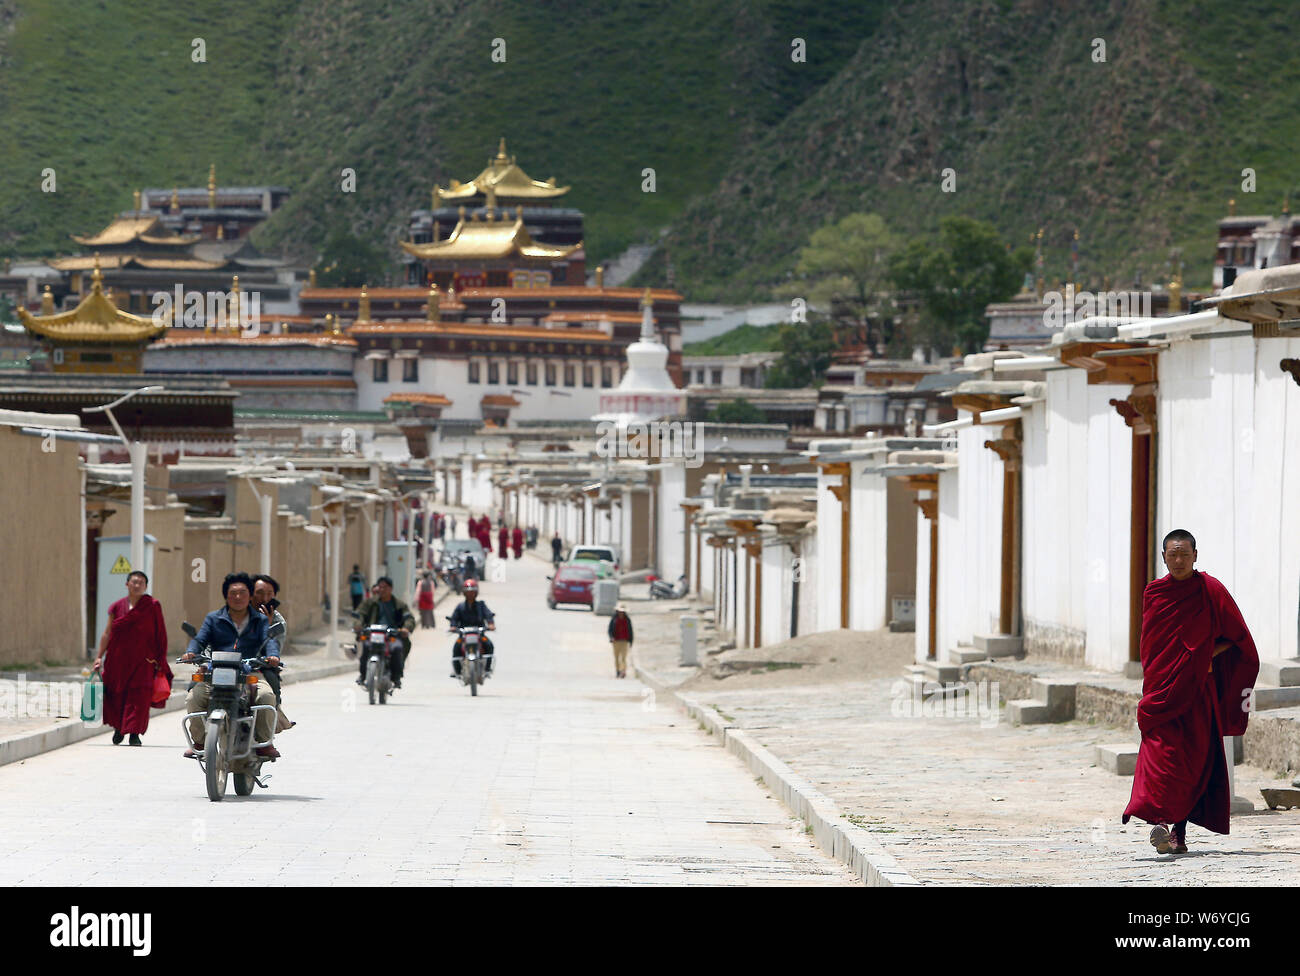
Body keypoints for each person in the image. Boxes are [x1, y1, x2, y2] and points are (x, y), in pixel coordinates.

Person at [1122, 529, 1259, 855]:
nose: (1179, 560)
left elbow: (1240, 641)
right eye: (1173, 554)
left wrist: (1205, 655)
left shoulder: (1211, 591)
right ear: (1164, 557)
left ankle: (1176, 835)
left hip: (1198, 691)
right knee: (1160, 756)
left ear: (1196, 556)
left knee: (1192, 762)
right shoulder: (1155, 593)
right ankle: (1161, 823)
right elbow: (1152, 646)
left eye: (1185, 554)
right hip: (1163, 692)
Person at [180, 573, 281, 760]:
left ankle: (264, 742)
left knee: (266, 696)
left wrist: (273, 655)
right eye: (233, 593)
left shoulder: (259, 620)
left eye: (243, 593)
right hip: (216, 671)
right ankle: (200, 742)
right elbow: (200, 640)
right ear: (226, 596)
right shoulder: (213, 618)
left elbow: (270, 641)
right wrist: (191, 652)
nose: (237, 597)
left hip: (249, 673)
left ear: (250, 596)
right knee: (194, 698)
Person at [93, 570, 172, 746]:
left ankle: (134, 733)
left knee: (139, 696)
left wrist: (160, 659)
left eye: (141, 583)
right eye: (134, 582)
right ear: (127, 584)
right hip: (117, 659)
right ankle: (119, 728)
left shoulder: (152, 605)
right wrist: (99, 657)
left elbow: (161, 633)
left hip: (144, 660)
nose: (137, 585)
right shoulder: (117, 606)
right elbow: (107, 633)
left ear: (146, 586)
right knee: (116, 694)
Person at [353, 576, 415, 690]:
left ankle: (396, 677)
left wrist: (406, 628)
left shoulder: (399, 604)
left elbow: (409, 618)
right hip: (373, 634)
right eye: (380, 587)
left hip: (391, 636)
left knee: (397, 648)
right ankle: (363, 675)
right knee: (365, 647)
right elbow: (360, 615)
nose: (381, 590)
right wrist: (358, 624)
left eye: (384, 587)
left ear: (391, 589)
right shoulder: (370, 603)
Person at [252, 574, 294, 734]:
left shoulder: (277, 621)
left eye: (269, 594)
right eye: (260, 593)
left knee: (270, 687)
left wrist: (265, 625)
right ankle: (202, 738)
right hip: (229, 663)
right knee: (197, 687)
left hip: (260, 665)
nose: (264, 598)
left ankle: (268, 731)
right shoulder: (236, 613)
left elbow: (274, 648)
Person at [449, 578, 496, 677]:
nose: (470, 594)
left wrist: (491, 624)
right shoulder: (460, 607)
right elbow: (454, 618)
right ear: (464, 593)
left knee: (489, 645)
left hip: (479, 634)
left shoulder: (481, 605)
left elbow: (488, 615)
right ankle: (457, 671)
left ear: (476, 593)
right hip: (463, 636)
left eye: (472, 592)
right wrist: (453, 626)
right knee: (456, 647)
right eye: (468, 592)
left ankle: (487, 669)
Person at [608, 604, 634, 679]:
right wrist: (611, 637)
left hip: (624, 641)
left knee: (623, 658)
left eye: (622, 612)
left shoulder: (627, 619)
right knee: (616, 657)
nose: (621, 613)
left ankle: (623, 671)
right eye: (620, 611)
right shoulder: (614, 619)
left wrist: (631, 641)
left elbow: (630, 631)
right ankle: (617, 671)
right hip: (616, 641)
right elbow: (610, 630)